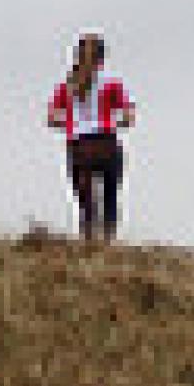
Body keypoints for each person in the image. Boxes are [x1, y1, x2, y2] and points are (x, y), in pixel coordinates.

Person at [46, 32, 136, 242]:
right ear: (102, 59)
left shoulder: (67, 86)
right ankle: (108, 241)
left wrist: (69, 123)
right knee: (110, 196)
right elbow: (129, 116)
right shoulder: (113, 84)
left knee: (86, 201)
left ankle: (87, 241)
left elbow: (52, 118)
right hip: (107, 142)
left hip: (79, 146)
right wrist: (115, 122)